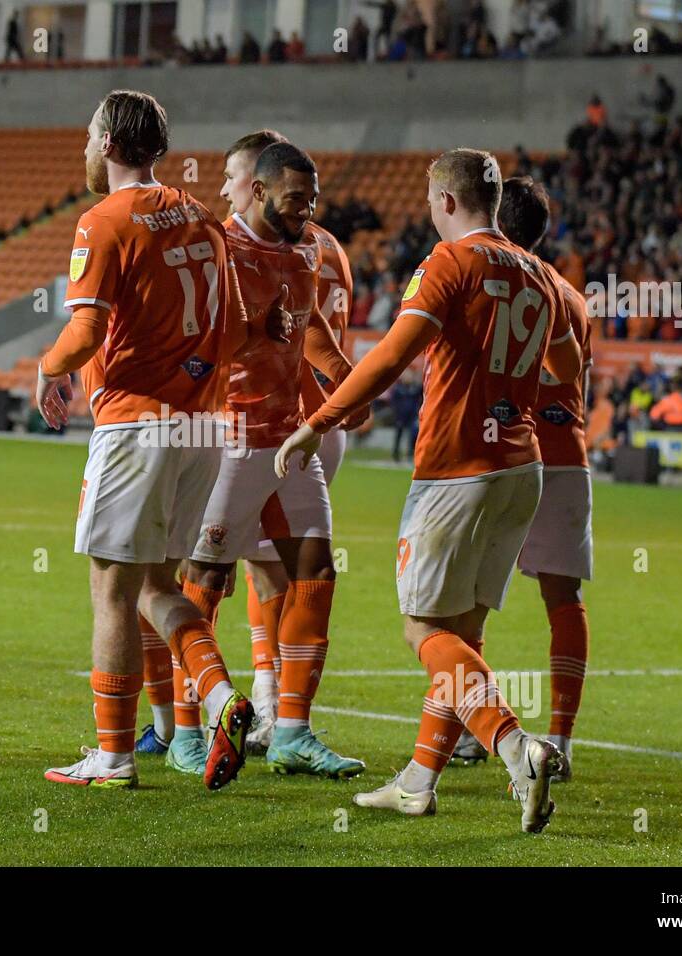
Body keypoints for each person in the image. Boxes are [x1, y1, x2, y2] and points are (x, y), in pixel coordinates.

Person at [276, 148, 581, 833]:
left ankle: (511, 745)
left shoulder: (449, 263)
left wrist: (319, 419)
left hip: (457, 468)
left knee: (423, 629)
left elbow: (392, 353)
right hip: (520, 468)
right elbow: (565, 361)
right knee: (463, 635)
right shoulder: (541, 275)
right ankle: (418, 781)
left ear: (446, 201)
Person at [36, 90, 264, 791]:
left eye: (88, 131)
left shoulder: (103, 221)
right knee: (159, 587)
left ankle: (113, 758)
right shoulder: (203, 218)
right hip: (203, 426)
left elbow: (85, 332)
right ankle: (223, 700)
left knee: (112, 590)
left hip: (137, 424)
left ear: (107, 144)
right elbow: (232, 334)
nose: (84, 141)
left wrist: (48, 371)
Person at [181, 141, 367, 780]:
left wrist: (345, 383)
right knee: (204, 580)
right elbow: (204, 336)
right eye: (295, 200)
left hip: (290, 438)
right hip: (231, 438)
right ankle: (191, 725)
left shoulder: (304, 249)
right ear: (258, 192)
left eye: (311, 200)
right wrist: (261, 326)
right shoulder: (220, 249)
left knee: (315, 573)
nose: (306, 210)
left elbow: (309, 320)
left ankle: (291, 731)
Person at [450, 176, 594, 778]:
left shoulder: (494, 280)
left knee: (465, 606)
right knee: (564, 599)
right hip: (567, 456)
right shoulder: (573, 296)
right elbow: (575, 378)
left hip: (502, 454)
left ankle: (464, 733)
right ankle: (559, 739)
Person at [389, 370, 422, 462]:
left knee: (413, 435)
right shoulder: (398, 389)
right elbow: (393, 401)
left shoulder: (415, 388)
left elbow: (421, 395)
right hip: (401, 416)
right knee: (399, 435)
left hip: (412, 415)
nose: (408, 378)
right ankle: (396, 454)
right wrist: (396, 412)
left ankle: (411, 454)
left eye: (409, 376)